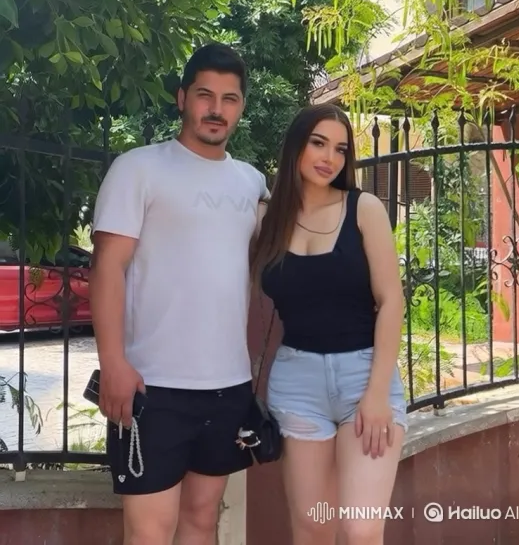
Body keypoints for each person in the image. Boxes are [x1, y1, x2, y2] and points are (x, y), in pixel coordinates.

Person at [89, 43, 268, 545]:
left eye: (229, 99)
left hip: (228, 386)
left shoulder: (251, 183)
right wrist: (113, 363)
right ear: (182, 98)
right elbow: (108, 267)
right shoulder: (138, 168)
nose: (216, 109)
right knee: (150, 532)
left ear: (241, 107)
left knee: (201, 521)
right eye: (205, 95)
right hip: (152, 387)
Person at [250, 104, 407, 545]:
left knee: (360, 528)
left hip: (364, 376)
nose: (330, 157)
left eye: (340, 148)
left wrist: (377, 394)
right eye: (318, 142)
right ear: (295, 146)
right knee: (313, 526)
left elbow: (391, 300)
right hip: (297, 382)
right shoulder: (265, 220)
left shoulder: (364, 209)